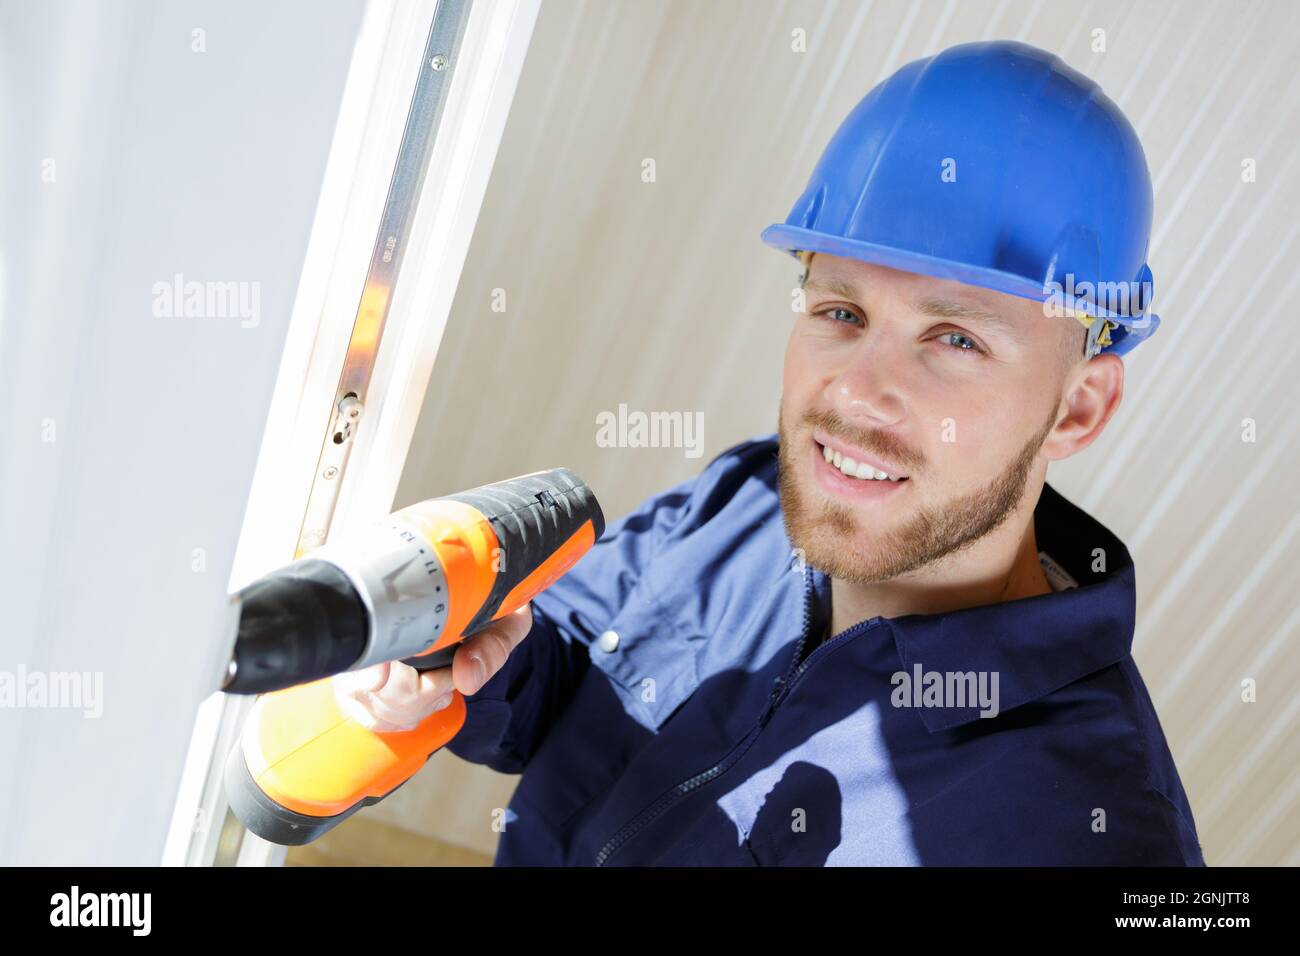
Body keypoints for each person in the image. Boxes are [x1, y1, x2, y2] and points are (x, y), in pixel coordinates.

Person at [334, 40, 1205, 866]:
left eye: (954, 340)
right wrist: (476, 661)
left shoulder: (1090, 830)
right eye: (842, 312)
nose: (856, 394)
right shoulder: (748, 499)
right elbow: (564, 677)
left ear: (1077, 409)